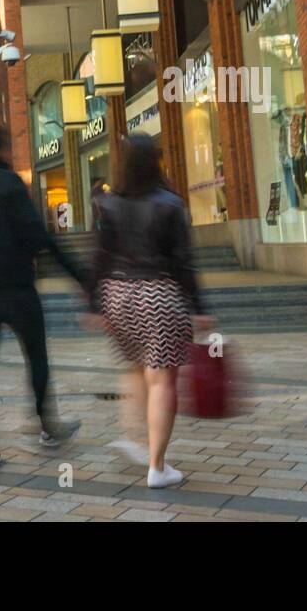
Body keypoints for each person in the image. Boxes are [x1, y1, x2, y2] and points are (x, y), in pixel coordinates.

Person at [0, 124, 84, 469]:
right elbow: (41, 237)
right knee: (36, 357)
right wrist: (81, 276)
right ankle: (47, 425)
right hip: (18, 290)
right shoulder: (10, 185)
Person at [88, 134, 212, 489]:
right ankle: (157, 466)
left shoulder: (109, 204)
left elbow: (99, 256)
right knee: (161, 380)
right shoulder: (170, 204)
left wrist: (92, 302)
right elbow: (183, 262)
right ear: (156, 161)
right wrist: (199, 307)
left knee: (135, 368)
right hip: (157, 294)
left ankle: (136, 438)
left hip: (117, 296)